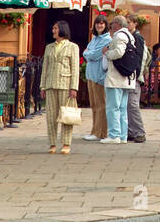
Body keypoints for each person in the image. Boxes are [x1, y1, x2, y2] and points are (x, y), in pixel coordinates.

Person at [39, 21, 80, 154]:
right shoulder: (49, 47)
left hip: (65, 84)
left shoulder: (72, 47)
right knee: (51, 116)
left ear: (62, 30)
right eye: (53, 28)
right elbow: (45, 68)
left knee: (66, 115)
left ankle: (66, 143)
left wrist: (74, 87)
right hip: (51, 84)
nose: (53, 30)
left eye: (55, 28)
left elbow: (75, 69)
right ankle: (52, 143)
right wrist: (42, 86)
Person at [101, 14, 138, 144]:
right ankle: (123, 136)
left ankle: (114, 135)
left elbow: (118, 52)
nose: (111, 27)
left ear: (117, 24)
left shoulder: (119, 36)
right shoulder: (130, 36)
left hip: (116, 78)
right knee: (122, 108)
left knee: (113, 107)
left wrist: (107, 53)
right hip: (126, 78)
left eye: (112, 25)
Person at [81, 14, 112, 141]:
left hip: (99, 76)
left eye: (102, 23)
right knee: (94, 105)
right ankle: (94, 130)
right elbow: (85, 52)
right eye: (97, 23)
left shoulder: (107, 40)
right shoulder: (94, 39)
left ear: (106, 25)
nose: (99, 25)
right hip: (90, 75)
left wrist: (88, 53)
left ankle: (101, 132)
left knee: (101, 105)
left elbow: (93, 55)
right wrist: (88, 53)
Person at [125, 18, 150, 143]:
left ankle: (140, 132)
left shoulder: (137, 38)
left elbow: (139, 58)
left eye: (129, 22)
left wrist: (136, 74)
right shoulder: (129, 36)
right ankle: (131, 131)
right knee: (128, 104)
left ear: (135, 23)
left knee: (133, 104)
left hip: (135, 76)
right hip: (131, 75)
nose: (127, 25)